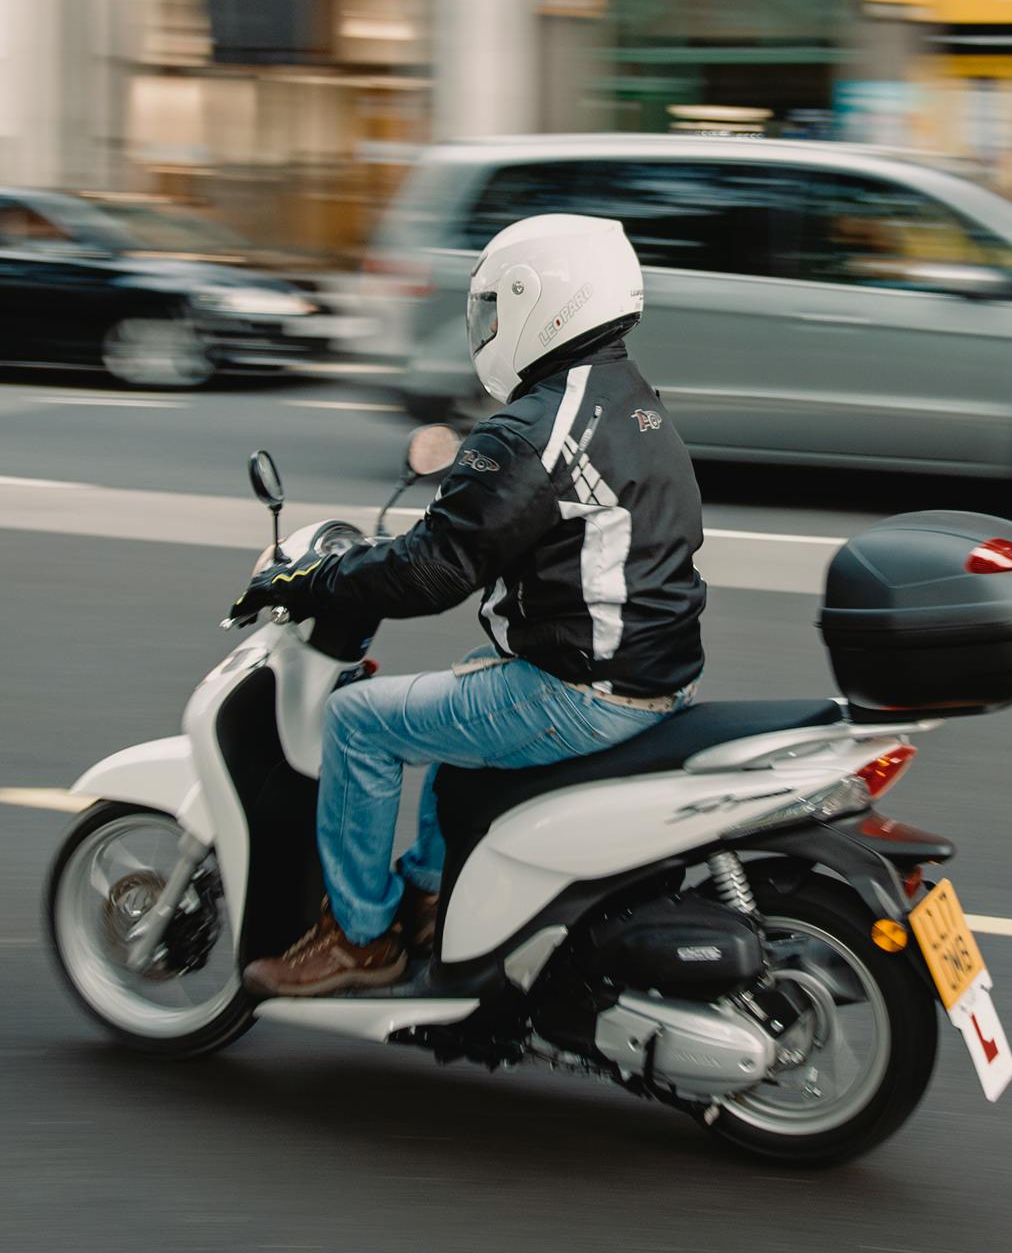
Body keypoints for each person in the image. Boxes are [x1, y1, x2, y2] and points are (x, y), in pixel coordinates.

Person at [228, 214, 707, 996]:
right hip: (655, 673)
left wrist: (311, 581)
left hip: (583, 692)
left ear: (540, 299)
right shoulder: (633, 401)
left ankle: (359, 938)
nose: (485, 327)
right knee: (467, 685)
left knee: (360, 721)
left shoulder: (528, 429)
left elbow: (433, 571)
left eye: (493, 306)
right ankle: (428, 894)